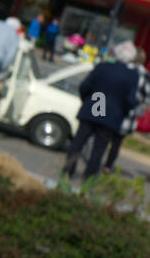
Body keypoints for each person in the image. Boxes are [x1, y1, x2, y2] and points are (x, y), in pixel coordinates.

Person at [60, 41, 143, 186]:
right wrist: (122, 111)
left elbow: (85, 86)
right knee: (98, 151)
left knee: (77, 143)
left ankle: (67, 172)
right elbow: (130, 100)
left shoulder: (103, 67)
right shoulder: (132, 76)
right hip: (111, 117)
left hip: (92, 110)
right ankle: (88, 180)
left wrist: (88, 101)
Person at [101, 46, 150, 174]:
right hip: (129, 114)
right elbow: (147, 97)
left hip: (113, 109)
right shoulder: (145, 75)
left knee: (104, 137)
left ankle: (96, 161)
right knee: (117, 142)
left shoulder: (124, 69)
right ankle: (108, 165)